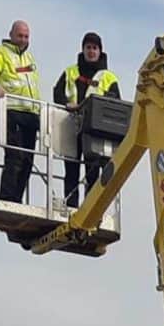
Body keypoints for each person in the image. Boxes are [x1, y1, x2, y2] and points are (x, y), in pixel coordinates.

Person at [54, 32, 122, 206]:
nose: (91, 51)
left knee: (93, 172)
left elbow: (116, 104)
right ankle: (71, 206)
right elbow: (57, 93)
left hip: (94, 131)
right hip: (72, 125)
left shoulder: (108, 77)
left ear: (100, 51)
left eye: (94, 48)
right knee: (71, 169)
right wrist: (66, 103)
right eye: (88, 47)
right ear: (83, 49)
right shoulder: (70, 72)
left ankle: (91, 208)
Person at [0, 21, 40, 204]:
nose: (23, 39)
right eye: (20, 35)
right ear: (11, 35)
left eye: (26, 36)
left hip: (31, 114)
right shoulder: (0, 54)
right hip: (12, 111)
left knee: (28, 161)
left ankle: (16, 199)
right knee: (15, 156)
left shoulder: (29, 58)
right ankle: (7, 197)